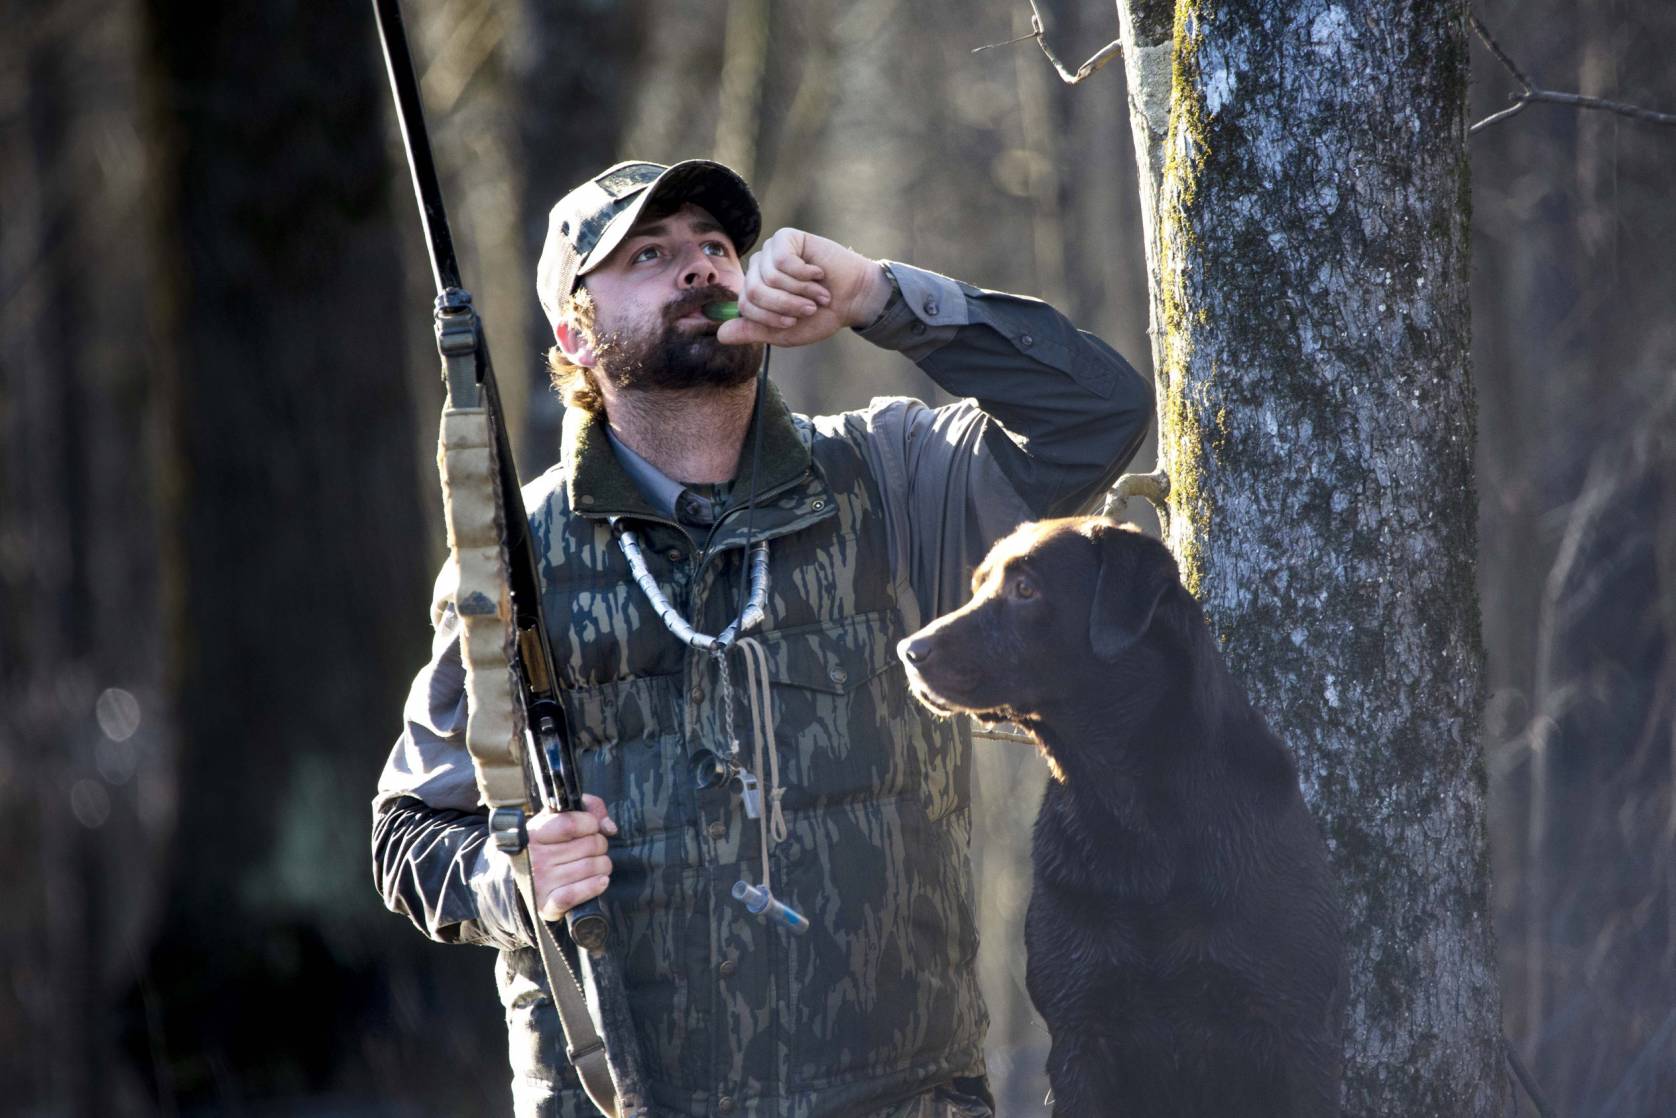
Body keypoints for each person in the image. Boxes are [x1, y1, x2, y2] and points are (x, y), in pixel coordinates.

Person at [372, 158, 1153, 1118]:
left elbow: (1098, 415)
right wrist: (511, 876)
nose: (700, 267)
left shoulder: (889, 477)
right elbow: (406, 830)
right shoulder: (513, 562)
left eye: (715, 246)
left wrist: (875, 295)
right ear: (575, 332)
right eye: (648, 254)